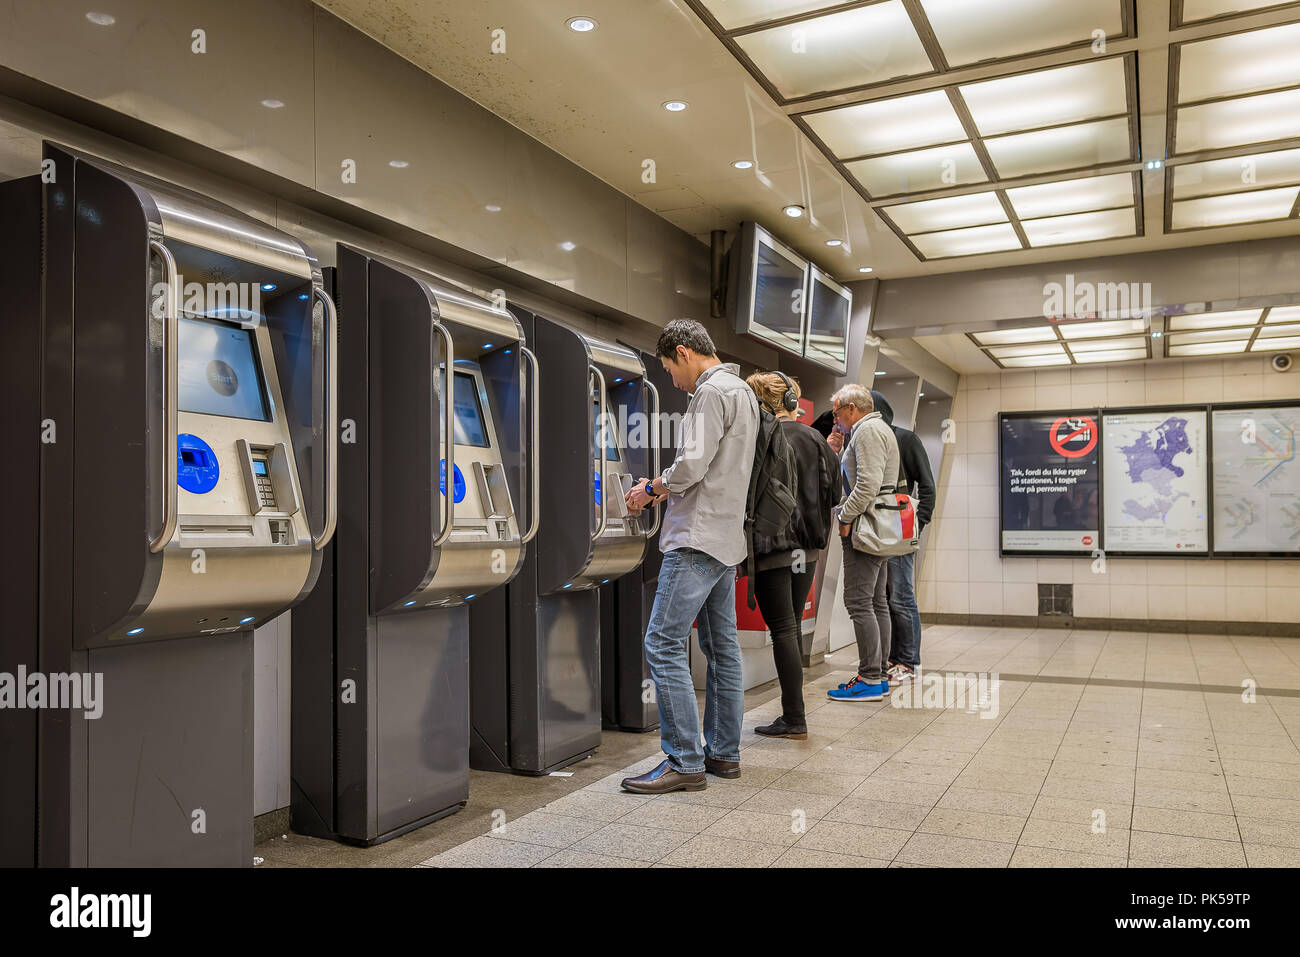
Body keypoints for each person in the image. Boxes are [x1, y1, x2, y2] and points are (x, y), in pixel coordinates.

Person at [619, 319, 758, 794]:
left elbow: (693, 465)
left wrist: (651, 489)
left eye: (669, 369)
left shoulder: (711, 391)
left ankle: (683, 760)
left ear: (683, 352)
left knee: (661, 642)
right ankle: (723, 754)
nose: (673, 382)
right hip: (725, 541)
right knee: (722, 649)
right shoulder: (743, 392)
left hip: (695, 540)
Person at [745, 372, 839, 739]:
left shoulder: (762, 438)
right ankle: (793, 715)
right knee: (793, 627)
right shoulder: (816, 438)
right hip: (807, 550)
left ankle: (794, 717)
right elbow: (834, 491)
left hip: (772, 549)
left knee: (782, 629)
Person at [826, 384, 901, 703]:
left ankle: (870, 677)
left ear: (851, 408)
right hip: (881, 525)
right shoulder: (880, 429)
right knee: (876, 601)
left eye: (836, 413)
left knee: (859, 602)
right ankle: (878, 674)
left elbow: (867, 484)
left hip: (865, 526)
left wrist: (844, 516)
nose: (835, 420)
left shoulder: (867, 431)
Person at [870, 390, 935, 684]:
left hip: (900, 529)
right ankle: (893, 658)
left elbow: (927, 485)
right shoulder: (867, 438)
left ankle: (908, 661)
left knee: (901, 595)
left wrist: (916, 524)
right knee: (883, 597)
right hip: (874, 532)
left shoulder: (906, 439)